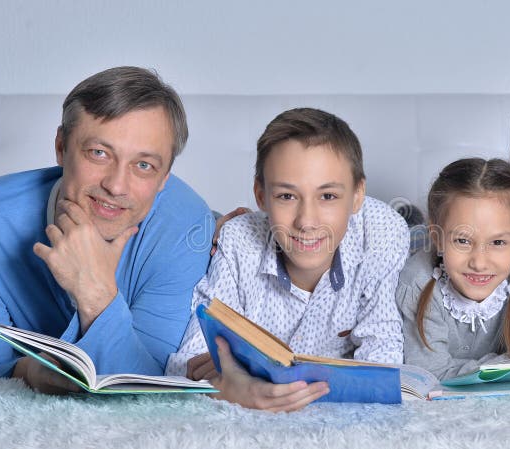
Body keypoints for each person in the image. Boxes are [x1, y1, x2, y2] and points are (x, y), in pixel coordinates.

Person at [0, 66, 216, 393]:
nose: (115, 185)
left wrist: (95, 294)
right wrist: (29, 370)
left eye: (144, 165)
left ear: (165, 177)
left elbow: (153, 383)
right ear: (61, 147)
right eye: (99, 153)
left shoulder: (186, 226)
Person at [166, 107, 410, 412]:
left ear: (358, 194)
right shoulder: (238, 241)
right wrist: (228, 388)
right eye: (286, 196)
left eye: (328, 196)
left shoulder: (382, 234)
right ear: (261, 194)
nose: (306, 221)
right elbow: (187, 364)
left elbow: (383, 361)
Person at [397, 158, 510, 380]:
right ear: (438, 238)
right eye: (462, 241)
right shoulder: (417, 279)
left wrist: (457, 369)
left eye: (498, 243)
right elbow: (429, 373)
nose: (479, 263)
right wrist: (506, 364)